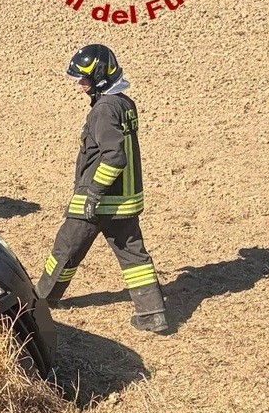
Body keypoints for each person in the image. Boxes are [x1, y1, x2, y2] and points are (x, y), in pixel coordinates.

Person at [36, 44, 169, 332]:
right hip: (126, 199)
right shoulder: (124, 103)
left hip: (98, 200)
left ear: (100, 78)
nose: (80, 86)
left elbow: (114, 156)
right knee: (135, 257)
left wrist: (93, 192)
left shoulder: (104, 110)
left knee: (65, 249)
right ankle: (153, 313)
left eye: (84, 80)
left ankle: (39, 303)